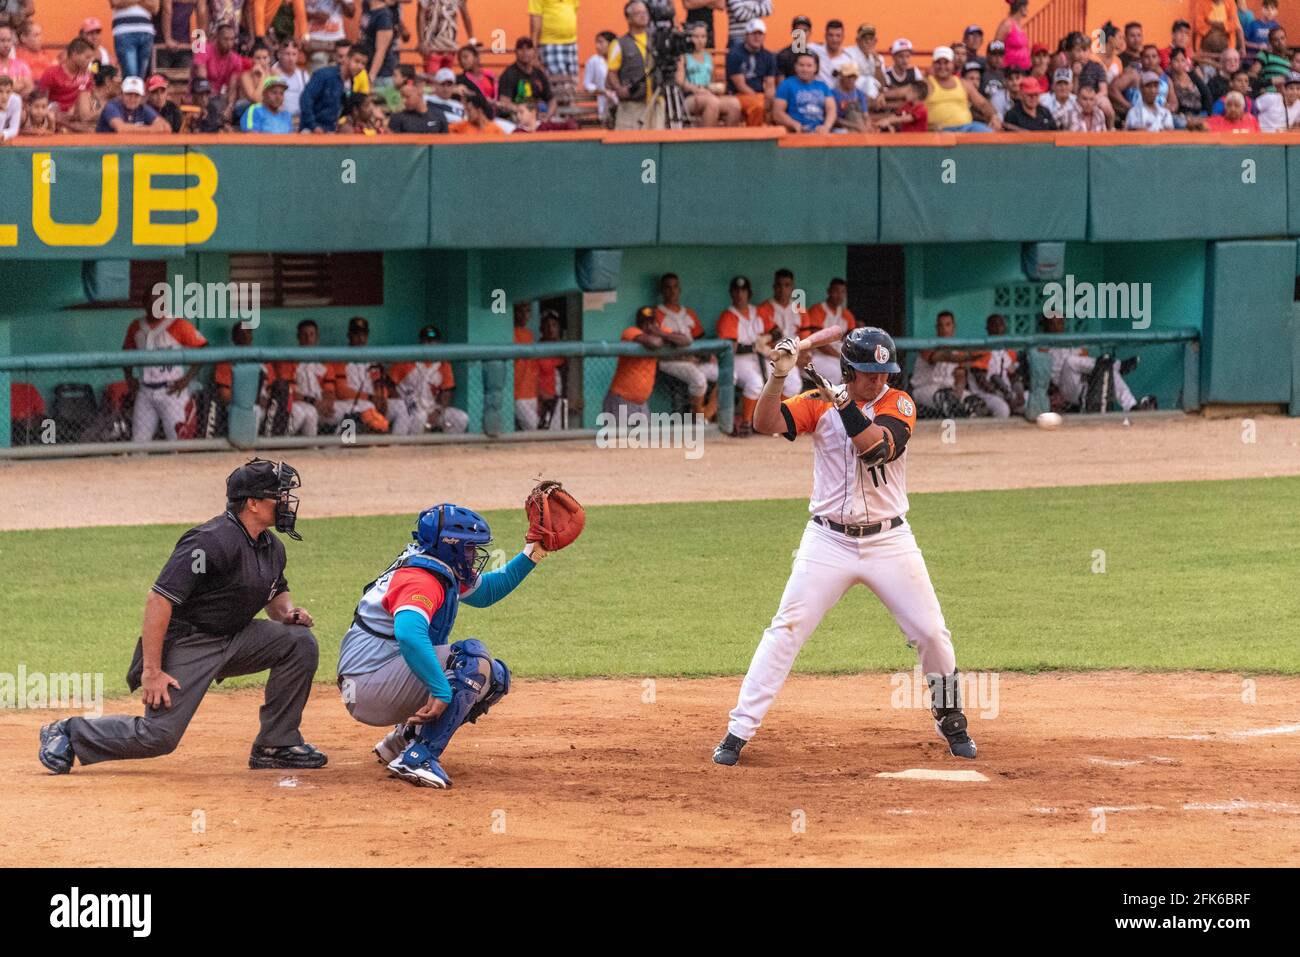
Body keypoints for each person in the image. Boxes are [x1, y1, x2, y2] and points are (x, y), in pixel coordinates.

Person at [711, 326, 978, 769]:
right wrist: (779, 377)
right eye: (869, 373)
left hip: (890, 540)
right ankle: (739, 730)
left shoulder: (900, 403)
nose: (879, 381)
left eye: (884, 372)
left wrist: (843, 402)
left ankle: (951, 718)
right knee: (787, 629)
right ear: (850, 370)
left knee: (932, 633)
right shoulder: (819, 402)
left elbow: (877, 449)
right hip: (828, 540)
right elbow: (764, 423)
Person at [38, 459, 327, 776]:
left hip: (237, 637)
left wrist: (288, 613)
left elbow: (274, 592)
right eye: (279, 495)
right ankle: (68, 732)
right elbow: (159, 600)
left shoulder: (271, 546)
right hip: (190, 642)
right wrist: (152, 670)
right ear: (254, 503)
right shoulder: (208, 542)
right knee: (158, 736)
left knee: (298, 642)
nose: (286, 502)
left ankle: (277, 744)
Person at [339, 504, 554, 789]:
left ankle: (403, 741)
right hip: (368, 686)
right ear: (449, 545)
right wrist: (439, 689)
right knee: (471, 662)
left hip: (375, 679)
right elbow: (409, 634)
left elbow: (488, 592)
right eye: (468, 548)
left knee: (495, 678)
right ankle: (417, 757)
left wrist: (534, 551)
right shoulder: (421, 579)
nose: (474, 555)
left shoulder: (435, 564)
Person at [122, 287, 208, 441]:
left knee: (178, 442)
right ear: (144, 303)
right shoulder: (136, 326)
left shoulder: (177, 324)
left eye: (159, 301)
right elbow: (126, 352)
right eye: (151, 301)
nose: (155, 304)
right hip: (145, 392)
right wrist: (129, 378)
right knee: (138, 444)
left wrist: (186, 379)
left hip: (172, 392)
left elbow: (204, 348)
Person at [716, 274, 772, 436]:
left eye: (743, 291)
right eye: (736, 291)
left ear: (749, 293)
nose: (740, 295)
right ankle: (747, 422)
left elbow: (776, 331)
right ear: (731, 294)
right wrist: (755, 346)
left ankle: (772, 421)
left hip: (761, 357)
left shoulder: (759, 311)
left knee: (782, 376)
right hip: (737, 360)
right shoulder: (727, 316)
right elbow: (732, 347)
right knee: (755, 382)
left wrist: (766, 339)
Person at [387, 325, 469, 434]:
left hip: (433, 409)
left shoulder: (444, 365)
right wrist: (400, 402)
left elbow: (447, 391)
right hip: (409, 408)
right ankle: (415, 448)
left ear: (439, 343)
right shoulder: (406, 360)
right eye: (426, 341)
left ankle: (448, 448)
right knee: (421, 416)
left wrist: (438, 411)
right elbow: (389, 384)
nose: (429, 344)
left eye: (433, 341)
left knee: (461, 418)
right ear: (420, 342)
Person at [655, 273, 717, 417]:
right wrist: (686, 357)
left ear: (679, 289)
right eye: (668, 287)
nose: (672, 291)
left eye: (675, 287)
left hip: (694, 359)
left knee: (729, 375)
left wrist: (708, 355)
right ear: (662, 290)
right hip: (670, 361)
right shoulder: (656, 313)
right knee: (699, 380)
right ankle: (698, 419)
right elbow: (660, 347)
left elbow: (700, 339)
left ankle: (706, 414)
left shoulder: (689, 313)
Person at [604, 304, 680, 419]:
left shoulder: (659, 332)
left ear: (656, 323)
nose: (648, 326)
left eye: (651, 322)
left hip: (641, 403)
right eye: (645, 323)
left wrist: (661, 333)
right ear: (639, 323)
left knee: (646, 437)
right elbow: (654, 343)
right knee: (619, 437)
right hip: (621, 400)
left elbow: (686, 341)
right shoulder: (631, 332)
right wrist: (662, 337)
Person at [607, 0, 662, 130]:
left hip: (656, 101)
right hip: (632, 105)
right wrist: (619, 88)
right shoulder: (618, 44)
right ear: (628, 18)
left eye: (645, 12)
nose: (643, 16)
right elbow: (611, 72)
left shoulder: (657, 40)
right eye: (638, 13)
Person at [926, 44, 999, 131]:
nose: (942, 67)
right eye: (938, 63)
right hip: (939, 130)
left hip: (966, 128)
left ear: (952, 64)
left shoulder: (963, 84)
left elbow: (983, 104)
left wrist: (993, 116)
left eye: (946, 63)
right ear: (933, 64)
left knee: (987, 133)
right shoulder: (926, 84)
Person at [299, 42, 369, 131]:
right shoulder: (324, 75)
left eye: (363, 64)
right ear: (347, 59)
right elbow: (305, 99)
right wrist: (314, 126)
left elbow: (342, 110)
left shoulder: (351, 82)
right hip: (310, 131)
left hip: (330, 132)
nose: (360, 66)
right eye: (357, 61)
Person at [757, 268, 804, 397]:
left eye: (787, 285)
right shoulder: (763, 309)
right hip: (770, 356)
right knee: (773, 384)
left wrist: (802, 354)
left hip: (794, 353)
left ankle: (781, 413)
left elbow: (806, 335)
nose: (783, 289)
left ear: (792, 287)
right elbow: (760, 341)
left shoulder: (799, 308)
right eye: (779, 285)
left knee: (795, 385)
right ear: (774, 287)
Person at [682, 20, 738, 126]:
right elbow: (681, 82)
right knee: (712, 103)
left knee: (734, 104)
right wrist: (699, 90)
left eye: (703, 37)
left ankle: (727, 140)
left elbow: (712, 80)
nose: (700, 40)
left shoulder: (708, 57)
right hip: (690, 96)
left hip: (709, 93)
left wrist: (716, 88)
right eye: (696, 37)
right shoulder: (684, 56)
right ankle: (707, 139)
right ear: (689, 38)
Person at [966, 314, 1021, 418]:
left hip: (1006, 392)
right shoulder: (981, 349)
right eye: (994, 325)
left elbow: (1013, 376)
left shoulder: (1007, 352)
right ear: (987, 328)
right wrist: (1002, 395)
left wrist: (1019, 394)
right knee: (1003, 409)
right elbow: (981, 380)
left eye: (1000, 325)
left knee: (1028, 401)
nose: (998, 328)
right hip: (984, 394)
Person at [802, 278, 855, 384]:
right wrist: (840, 357)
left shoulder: (847, 315)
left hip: (837, 355)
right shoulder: (817, 310)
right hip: (816, 355)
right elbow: (818, 344)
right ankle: (831, 400)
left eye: (842, 292)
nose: (839, 295)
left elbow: (852, 342)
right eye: (836, 291)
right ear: (829, 291)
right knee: (837, 371)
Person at [724, 17, 775, 127]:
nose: (757, 37)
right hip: (739, 94)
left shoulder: (768, 56)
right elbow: (741, 86)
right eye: (753, 34)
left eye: (760, 34)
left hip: (760, 94)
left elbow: (770, 83)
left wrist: (769, 97)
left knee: (780, 103)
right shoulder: (735, 54)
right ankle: (755, 139)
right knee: (757, 106)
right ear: (746, 35)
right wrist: (760, 99)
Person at [38, 38, 98, 131]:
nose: (91, 61)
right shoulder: (51, 73)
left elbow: (89, 102)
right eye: (87, 57)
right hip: (57, 117)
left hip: (77, 116)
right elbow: (41, 105)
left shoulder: (88, 75)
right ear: (74, 55)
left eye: (92, 58)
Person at [774, 50, 835, 133]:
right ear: (795, 66)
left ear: (816, 68)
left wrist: (826, 127)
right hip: (795, 132)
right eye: (801, 65)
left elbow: (831, 110)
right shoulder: (786, 84)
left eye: (809, 66)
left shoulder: (822, 86)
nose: (805, 69)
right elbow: (778, 113)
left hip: (819, 132)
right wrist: (794, 124)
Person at [498, 36, 554, 118]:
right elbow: (504, 103)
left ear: (534, 52)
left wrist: (547, 116)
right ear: (516, 52)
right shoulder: (509, 74)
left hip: (537, 118)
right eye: (521, 49)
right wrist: (521, 111)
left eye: (528, 48)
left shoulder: (539, 73)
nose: (525, 52)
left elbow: (551, 99)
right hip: (514, 119)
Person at [529, 0, 579, 93]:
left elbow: (573, 12)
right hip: (550, 44)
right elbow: (535, 26)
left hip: (571, 43)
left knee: (572, 83)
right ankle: (558, 107)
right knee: (558, 85)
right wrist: (534, 54)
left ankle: (569, 106)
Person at [96, 73, 172, 131]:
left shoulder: (143, 108)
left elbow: (166, 127)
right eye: (129, 94)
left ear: (142, 97)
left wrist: (157, 126)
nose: (132, 98)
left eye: (136, 95)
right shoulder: (112, 106)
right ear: (121, 94)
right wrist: (150, 129)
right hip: (105, 148)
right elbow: (121, 128)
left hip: (129, 148)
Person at [111, 1, 160, 81]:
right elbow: (116, 2)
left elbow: (155, 8)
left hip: (146, 32)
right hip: (124, 31)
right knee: (131, 77)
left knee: (141, 78)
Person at [419, 0, 470, 74]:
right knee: (432, 79)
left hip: (450, 45)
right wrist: (422, 41)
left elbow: (465, 14)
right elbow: (420, 15)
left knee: (447, 79)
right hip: (432, 46)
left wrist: (471, 39)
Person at [513, 301, 539, 430]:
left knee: (533, 426)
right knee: (532, 425)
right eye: (520, 311)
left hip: (531, 391)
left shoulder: (529, 334)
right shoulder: (509, 333)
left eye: (528, 311)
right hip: (516, 393)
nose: (524, 315)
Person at [583, 29, 616, 120]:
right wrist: (602, 91)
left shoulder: (619, 59)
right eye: (596, 43)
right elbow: (587, 84)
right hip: (604, 102)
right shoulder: (594, 61)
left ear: (611, 44)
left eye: (601, 43)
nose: (597, 46)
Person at [271, 38, 309, 117]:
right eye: (287, 54)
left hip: (300, 120)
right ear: (279, 55)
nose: (291, 59)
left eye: (294, 54)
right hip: (277, 120)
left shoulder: (303, 75)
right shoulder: (271, 73)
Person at [995, 0, 1031, 72]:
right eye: (1026, 6)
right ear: (1022, 8)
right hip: (1010, 71)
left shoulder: (1019, 26)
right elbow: (996, 46)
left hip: (1023, 70)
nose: (1027, 9)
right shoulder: (1007, 24)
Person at [0, 24, 32, 97]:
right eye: (2, 40)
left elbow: (29, 87)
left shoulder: (21, 65)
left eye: (9, 40)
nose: (6, 44)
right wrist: (17, 87)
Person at [0, 70, 17, 141]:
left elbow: (14, 129)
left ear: (12, 91)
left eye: (8, 92)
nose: (4, 96)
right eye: (0, 91)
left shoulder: (16, 100)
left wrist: (4, 134)